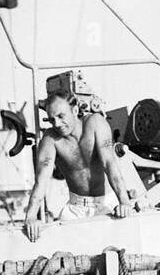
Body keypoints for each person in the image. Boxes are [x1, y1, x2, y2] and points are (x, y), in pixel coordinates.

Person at [23, 91, 138, 241]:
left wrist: (124, 203)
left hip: (106, 204)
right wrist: (31, 216)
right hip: (74, 210)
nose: (57, 124)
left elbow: (109, 164)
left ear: (75, 110)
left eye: (61, 116)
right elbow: (41, 180)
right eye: (52, 120)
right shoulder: (51, 139)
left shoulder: (95, 123)